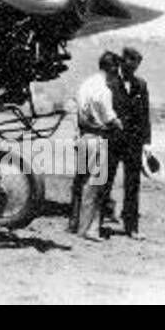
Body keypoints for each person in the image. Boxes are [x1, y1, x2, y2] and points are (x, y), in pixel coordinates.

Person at [69, 51, 124, 241]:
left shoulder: (86, 85)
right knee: (95, 186)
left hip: (83, 137)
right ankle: (88, 230)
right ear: (113, 68)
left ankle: (75, 224)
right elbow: (110, 118)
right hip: (99, 138)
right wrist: (121, 125)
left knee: (81, 182)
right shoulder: (104, 90)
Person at [101, 46, 151, 238]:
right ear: (124, 62)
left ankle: (131, 226)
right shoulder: (110, 82)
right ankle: (98, 221)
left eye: (137, 65)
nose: (134, 69)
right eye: (131, 64)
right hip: (113, 140)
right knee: (106, 180)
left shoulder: (141, 85)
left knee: (133, 185)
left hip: (134, 143)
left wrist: (147, 143)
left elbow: (145, 116)